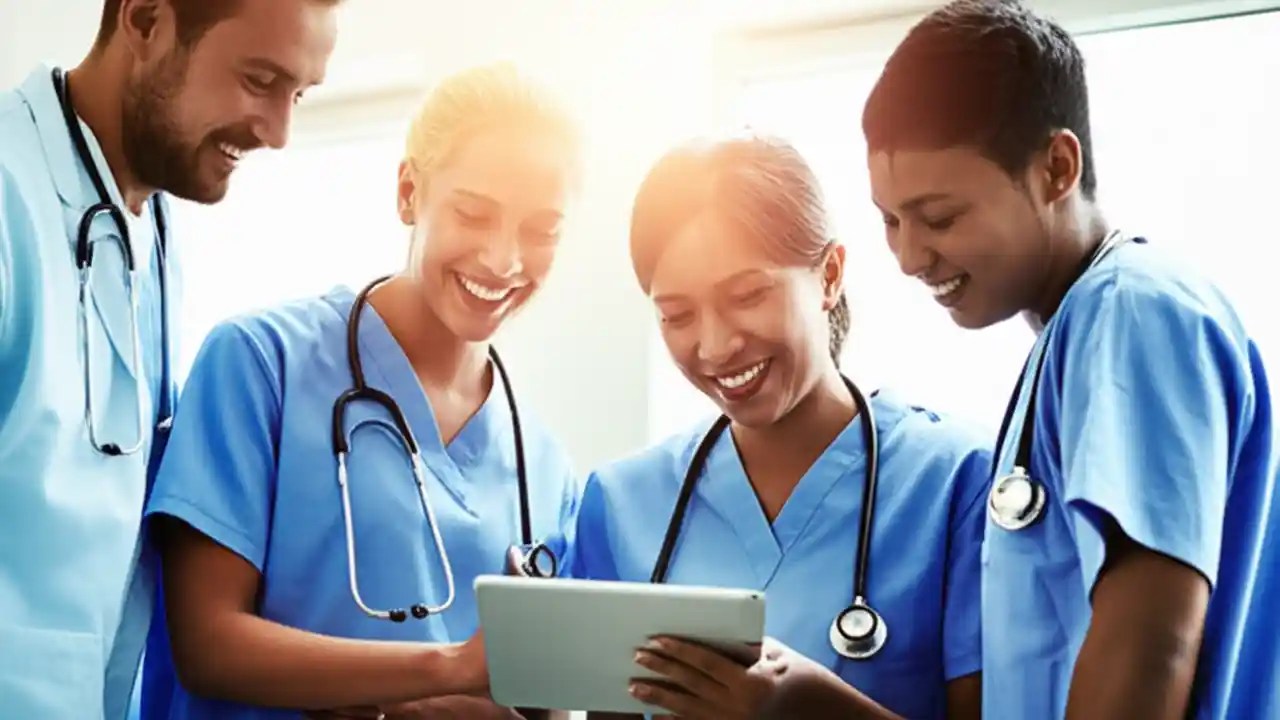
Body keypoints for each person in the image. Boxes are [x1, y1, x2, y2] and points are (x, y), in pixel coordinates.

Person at [856, 1, 1280, 718]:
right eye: (890, 220)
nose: (907, 257)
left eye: (939, 218)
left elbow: (1149, 646)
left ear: (1056, 167)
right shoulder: (1075, 334)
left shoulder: (1136, 313)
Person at [140, 62, 583, 720]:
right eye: (473, 213)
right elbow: (206, 644)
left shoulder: (544, 467)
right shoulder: (262, 363)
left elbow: (541, 695)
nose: (503, 259)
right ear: (409, 192)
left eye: (541, 230)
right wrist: (437, 675)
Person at [567, 135, 989, 720]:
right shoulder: (619, 505)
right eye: (677, 315)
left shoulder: (957, 483)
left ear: (830, 274)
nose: (714, 346)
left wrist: (816, 711)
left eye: (747, 295)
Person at [0, 1, 341, 718]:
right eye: (259, 79)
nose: (279, 133)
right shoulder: (8, 199)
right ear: (146, 19)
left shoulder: (150, 231)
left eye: (299, 95)